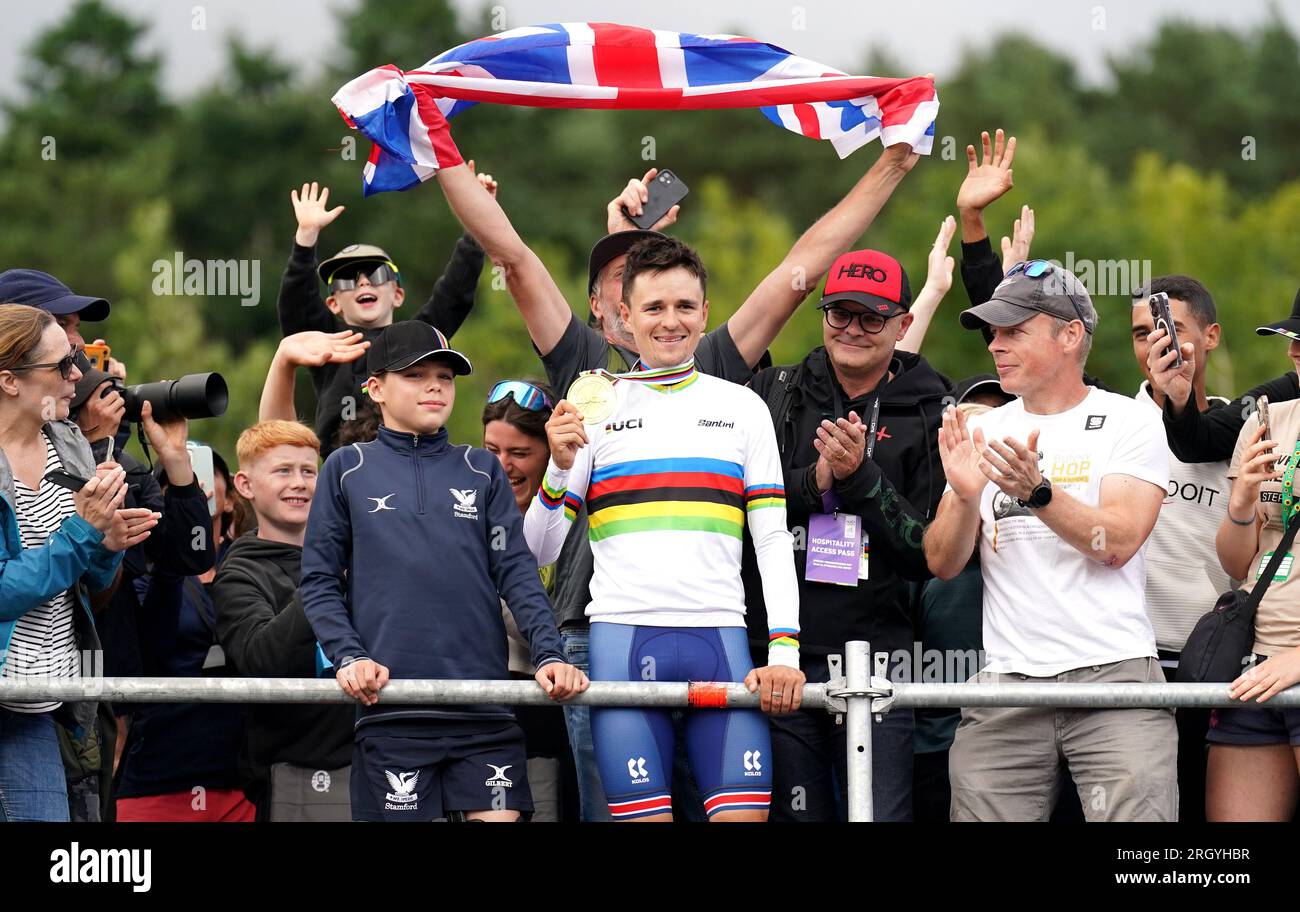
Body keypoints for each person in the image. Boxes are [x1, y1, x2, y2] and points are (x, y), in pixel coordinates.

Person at [524, 235, 804, 822]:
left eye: (684, 307)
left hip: (721, 638)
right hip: (621, 640)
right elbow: (539, 548)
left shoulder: (742, 406)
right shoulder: (594, 406)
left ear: (706, 312)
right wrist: (558, 464)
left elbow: (773, 538)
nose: (670, 321)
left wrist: (784, 649)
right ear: (623, 316)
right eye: (653, 308)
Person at [301, 321, 587, 822]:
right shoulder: (345, 467)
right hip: (392, 707)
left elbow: (518, 572)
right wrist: (348, 655)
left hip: (484, 709)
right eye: (416, 375)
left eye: (445, 376)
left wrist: (549, 653)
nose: (435, 386)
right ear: (375, 388)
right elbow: (319, 582)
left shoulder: (481, 469)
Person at [924, 261, 1178, 822]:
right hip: (1007, 683)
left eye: (1014, 331)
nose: (995, 345)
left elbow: (1118, 542)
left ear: (1070, 335)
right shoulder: (983, 429)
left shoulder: (1129, 421)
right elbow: (942, 564)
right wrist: (964, 498)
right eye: (993, 332)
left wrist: (1038, 492)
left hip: (1115, 675)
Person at [743, 241, 954, 822]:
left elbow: (927, 554)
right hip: (777, 653)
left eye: (872, 317)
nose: (854, 329)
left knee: (880, 817)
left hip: (880, 658)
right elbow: (739, 513)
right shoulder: (775, 394)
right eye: (841, 312)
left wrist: (861, 479)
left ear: (903, 324)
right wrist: (816, 481)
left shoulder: (932, 409)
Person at [0, 304, 158, 822]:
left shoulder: (68, 444)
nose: (78, 376)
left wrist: (107, 546)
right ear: (9, 381)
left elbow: (84, 583)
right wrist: (83, 532)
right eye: (62, 365)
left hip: (37, 705)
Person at [277, 175, 492, 454]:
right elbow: (297, 310)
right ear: (333, 303)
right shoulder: (331, 344)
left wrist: (477, 216)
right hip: (343, 470)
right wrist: (305, 240)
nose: (364, 282)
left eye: (377, 274)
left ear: (398, 294)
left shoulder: (417, 343)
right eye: (347, 279)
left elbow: (454, 295)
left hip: (409, 462)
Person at [212, 420, 356, 821]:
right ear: (245, 485)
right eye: (283, 471)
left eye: (309, 471)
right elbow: (263, 661)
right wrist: (323, 576)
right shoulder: (239, 572)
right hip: (297, 772)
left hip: (384, 759)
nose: (300, 483)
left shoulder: (358, 552)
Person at [1130, 276, 1234, 822]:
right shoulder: (1109, 422)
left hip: (1218, 667)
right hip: (1127, 666)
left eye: (1171, 330)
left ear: (1211, 336)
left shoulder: (1242, 426)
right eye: (1142, 333)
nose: (1156, 345)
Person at [113, 448, 252, 822]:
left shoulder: (253, 563)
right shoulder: (141, 570)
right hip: (160, 775)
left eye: (202, 472)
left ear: (231, 494)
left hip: (242, 779)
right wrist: (175, 560)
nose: (194, 483)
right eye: (175, 479)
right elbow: (149, 651)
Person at [1206, 300, 1300, 821]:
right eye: (1291, 339)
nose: (1292, 352)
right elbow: (1237, 564)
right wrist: (1241, 505)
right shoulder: (1267, 419)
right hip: (1256, 666)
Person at [910, 376, 1011, 823]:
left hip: (1023, 738)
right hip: (934, 750)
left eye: (992, 441)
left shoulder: (1037, 536)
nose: (979, 455)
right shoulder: (920, 540)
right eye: (967, 441)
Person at [482, 380, 576, 821]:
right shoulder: (468, 513)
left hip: (558, 702)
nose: (504, 467)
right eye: (492, 451)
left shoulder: (578, 517)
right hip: (488, 701)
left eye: (519, 454)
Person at [1151, 289, 1300, 464]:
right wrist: (1179, 398)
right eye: (1291, 338)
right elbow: (1206, 440)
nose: (1292, 351)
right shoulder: (1287, 391)